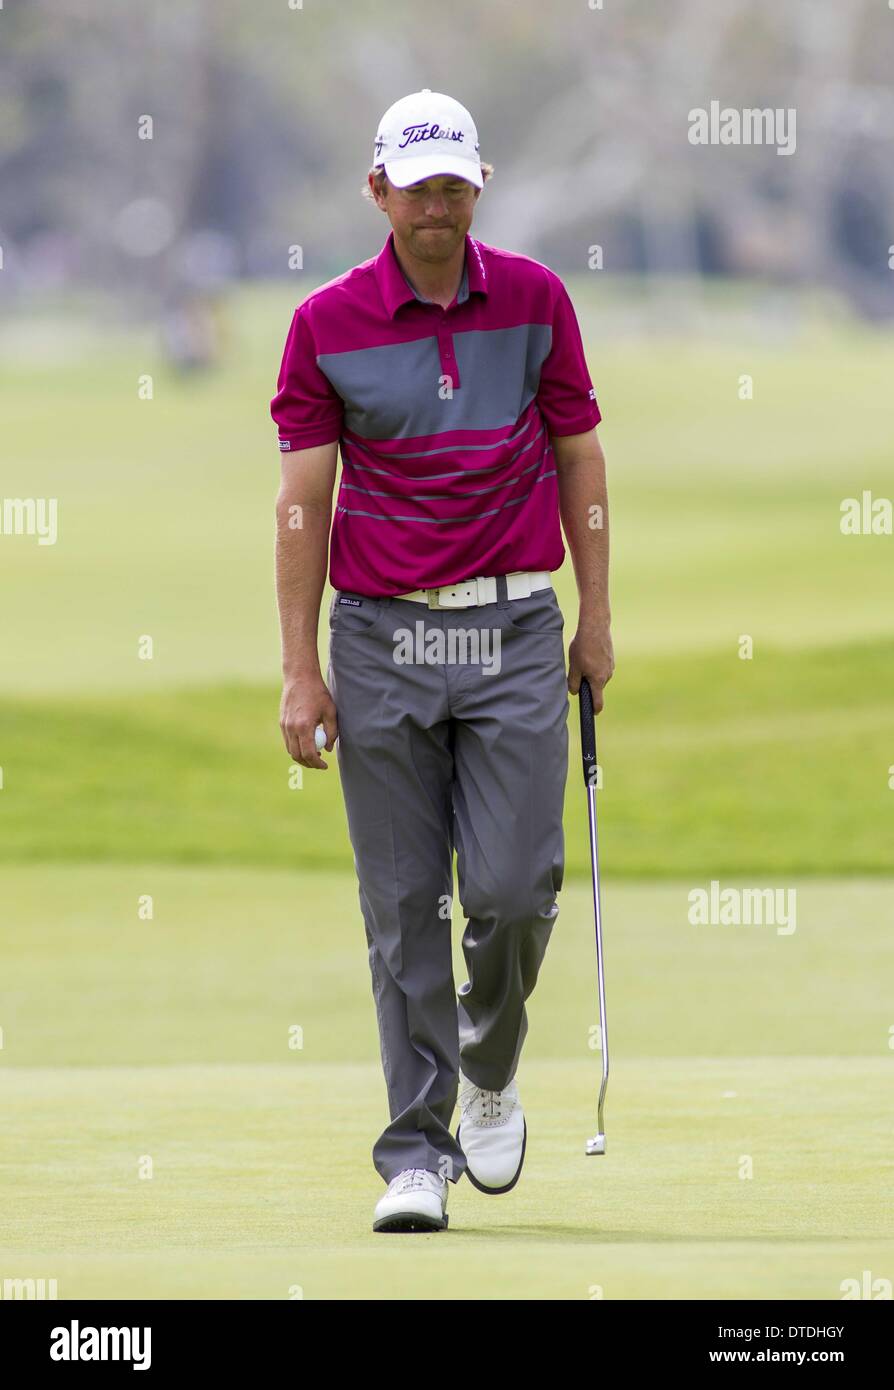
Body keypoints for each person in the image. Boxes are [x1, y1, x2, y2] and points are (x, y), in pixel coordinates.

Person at [271, 89, 614, 1233]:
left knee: (516, 894)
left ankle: (492, 1066)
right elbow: (303, 504)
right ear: (378, 190)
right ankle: (415, 1152)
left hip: (515, 628)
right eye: (418, 188)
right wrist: (299, 668)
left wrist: (595, 615)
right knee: (403, 902)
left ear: (478, 187)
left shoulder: (534, 298)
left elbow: (579, 456)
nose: (438, 207)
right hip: (380, 635)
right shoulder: (325, 322)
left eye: (455, 186)